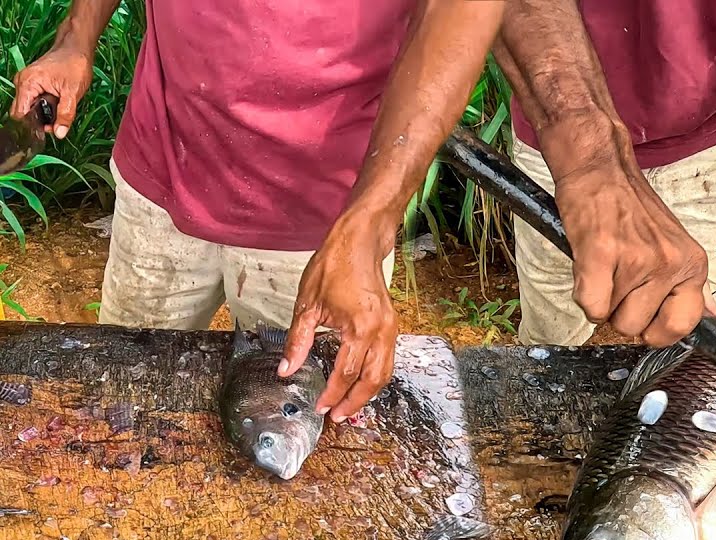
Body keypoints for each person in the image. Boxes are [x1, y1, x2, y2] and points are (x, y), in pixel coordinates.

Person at [11, 0, 505, 423]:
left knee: (296, 434)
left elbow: (458, 14)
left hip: (325, 226)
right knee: (121, 395)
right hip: (161, 175)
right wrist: (75, 39)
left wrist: (370, 222)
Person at [492, 0, 716, 347]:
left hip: (714, 143)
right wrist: (590, 162)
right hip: (561, 146)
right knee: (551, 337)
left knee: (703, 340)